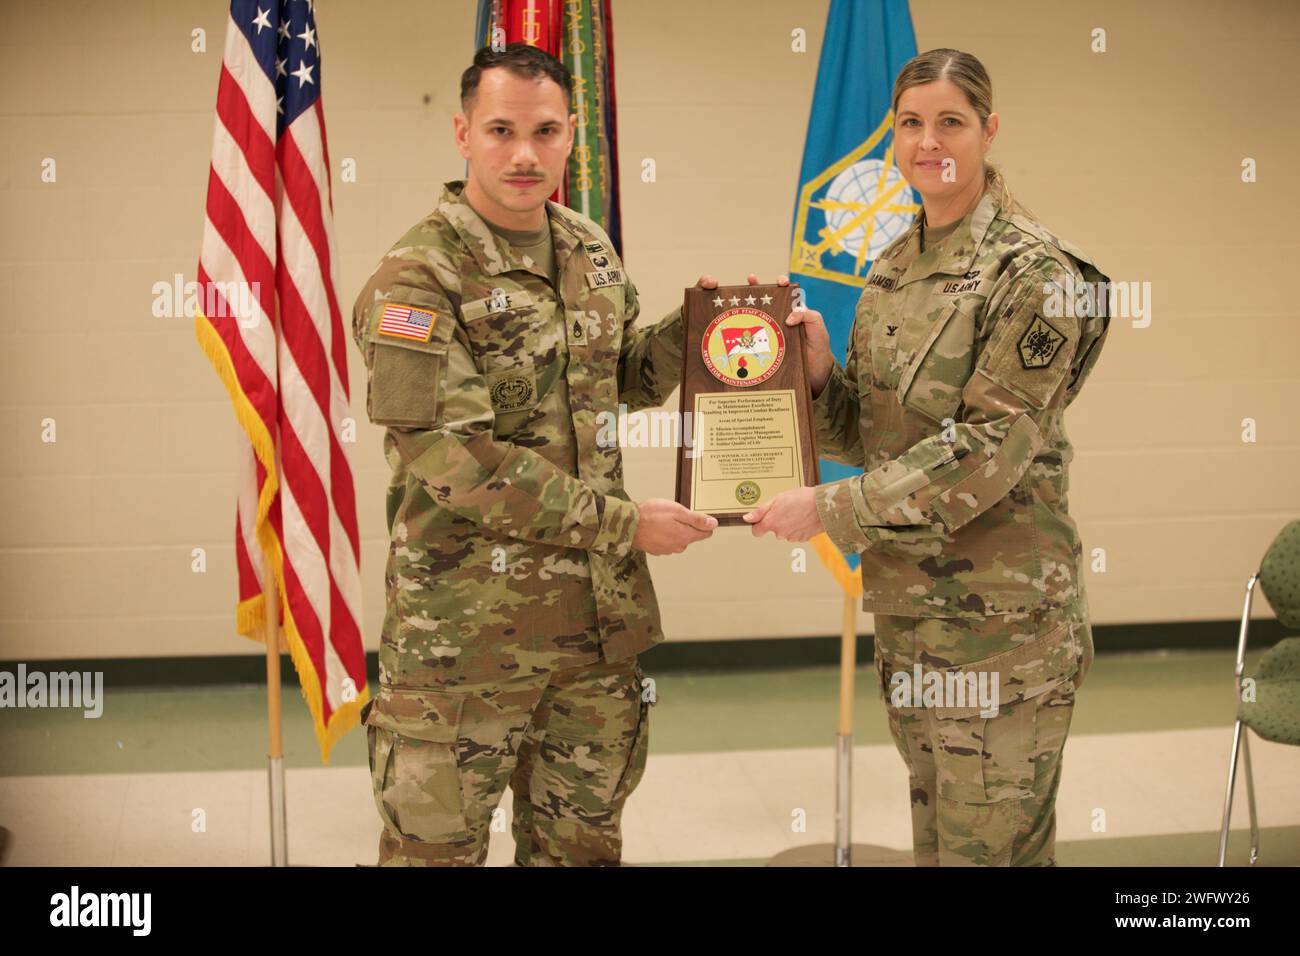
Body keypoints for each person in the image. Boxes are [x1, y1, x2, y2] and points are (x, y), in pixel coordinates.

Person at [351, 43, 718, 866]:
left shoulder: (587, 248)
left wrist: (710, 334)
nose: (524, 153)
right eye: (501, 129)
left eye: (545, 131)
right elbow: (456, 461)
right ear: (462, 133)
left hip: (592, 640)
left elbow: (616, 376)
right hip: (464, 646)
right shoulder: (418, 279)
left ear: (570, 136)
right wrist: (623, 525)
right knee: (433, 858)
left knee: (579, 853)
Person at [745, 48, 1111, 866]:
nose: (928, 141)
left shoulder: (1037, 274)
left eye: (951, 121)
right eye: (912, 123)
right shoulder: (894, 265)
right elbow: (879, 436)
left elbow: (987, 449)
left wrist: (829, 510)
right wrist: (813, 378)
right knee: (940, 850)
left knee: (994, 854)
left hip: (1004, 632)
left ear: (988, 129)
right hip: (914, 621)